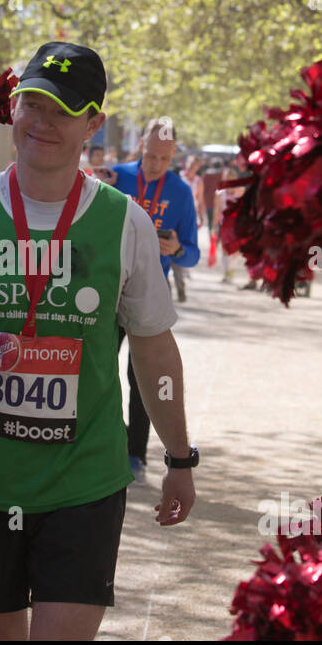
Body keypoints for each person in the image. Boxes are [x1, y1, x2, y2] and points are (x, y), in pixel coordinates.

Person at [0, 42, 198, 640]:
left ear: (93, 123)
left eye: (63, 109)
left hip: (84, 481)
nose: (43, 121)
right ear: (13, 106)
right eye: (33, 102)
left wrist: (180, 457)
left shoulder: (125, 222)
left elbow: (155, 352)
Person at [98, 118, 200, 476]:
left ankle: (134, 453)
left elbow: (192, 254)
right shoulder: (115, 176)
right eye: (151, 155)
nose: (155, 165)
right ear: (140, 145)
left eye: (164, 159)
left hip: (151, 289)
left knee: (142, 378)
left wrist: (175, 248)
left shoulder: (182, 192)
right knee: (97, 368)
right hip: (107, 287)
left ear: (173, 156)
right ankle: (100, 442)